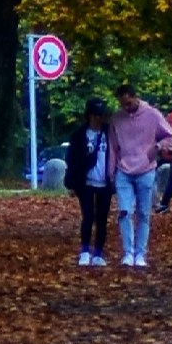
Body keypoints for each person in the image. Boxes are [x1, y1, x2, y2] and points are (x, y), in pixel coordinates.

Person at [110, 88, 172, 267]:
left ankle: (141, 254)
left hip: (146, 170)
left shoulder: (153, 115)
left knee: (143, 214)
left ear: (135, 97)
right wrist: (111, 173)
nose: (126, 107)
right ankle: (128, 252)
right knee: (124, 212)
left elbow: (171, 136)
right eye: (122, 104)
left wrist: (159, 147)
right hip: (123, 170)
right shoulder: (117, 119)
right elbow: (113, 147)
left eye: (128, 103)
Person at [63, 97, 114, 268]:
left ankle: (98, 252)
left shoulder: (109, 133)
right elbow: (72, 160)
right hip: (85, 183)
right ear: (89, 116)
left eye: (100, 115)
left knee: (102, 218)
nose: (98, 119)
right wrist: (70, 184)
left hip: (104, 182)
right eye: (94, 115)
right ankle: (85, 251)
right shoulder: (79, 135)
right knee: (88, 216)